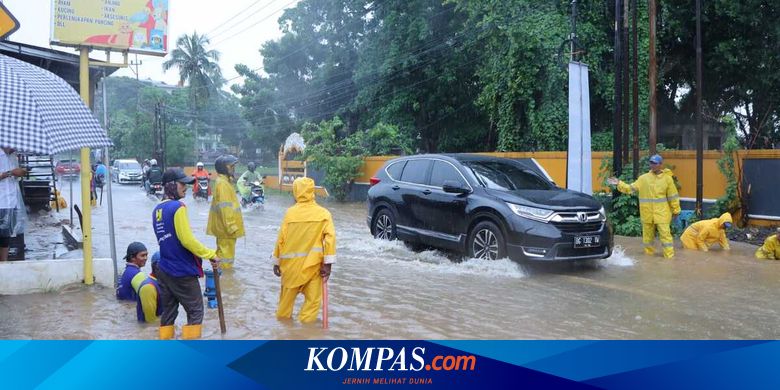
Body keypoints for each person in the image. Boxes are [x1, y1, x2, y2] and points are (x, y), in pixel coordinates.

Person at [153, 168, 220, 339]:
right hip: (181, 270)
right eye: (182, 184)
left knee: (168, 313)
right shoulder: (178, 207)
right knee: (196, 311)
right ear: (171, 185)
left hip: (164, 269)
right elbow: (187, 240)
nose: (186, 187)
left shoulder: (157, 210)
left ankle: (165, 346)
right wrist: (210, 254)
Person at [272, 177, 336, 324]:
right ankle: (305, 334)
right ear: (312, 191)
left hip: (290, 269)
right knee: (312, 303)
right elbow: (330, 239)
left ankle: (283, 333)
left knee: (284, 307)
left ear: (296, 192)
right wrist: (328, 264)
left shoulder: (290, 214)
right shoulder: (324, 214)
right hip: (313, 268)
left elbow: (280, 240)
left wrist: (276, 262)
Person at [608, 154, 681, 259]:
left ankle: (669, 258)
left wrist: (676, 210)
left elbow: (673, 196)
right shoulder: (643, 178)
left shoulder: (667, 179)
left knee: (665, 237)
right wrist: (619, 183)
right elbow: (630, 189)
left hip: (662, 214)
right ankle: (648, 258)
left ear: (660, 164)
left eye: (655, 163)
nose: (652, 165)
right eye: (651, 163)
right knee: (647, 239)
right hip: (647, 214)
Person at [207, 155, 244, 270]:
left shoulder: (225, 182)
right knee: (226, 260)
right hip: (227, 230)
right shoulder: (222, 184)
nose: (234, 169)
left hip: (224, 230)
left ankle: (221, 278)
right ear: (224, 168)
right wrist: (231, 226)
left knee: (222, 256)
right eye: (231, 167)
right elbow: (225, 208)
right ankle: (225, 280)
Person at [116, 242, 162, 323]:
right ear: (132, 257)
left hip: (123, 310)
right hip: (131, 310)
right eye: (142, 255)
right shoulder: (137, 275)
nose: (146, 258)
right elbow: (146, 295)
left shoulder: (125, 272)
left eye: (146, 255)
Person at [0, 147, 27, 262]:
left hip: (12, 202)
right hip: (1, 201)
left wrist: (20, 173)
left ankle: (3, 264)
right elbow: (9, 174)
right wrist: (10, 173)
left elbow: (14, 178)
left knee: (5, 237)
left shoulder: (13, 157)